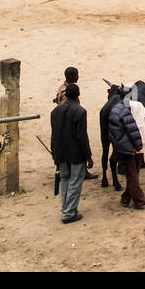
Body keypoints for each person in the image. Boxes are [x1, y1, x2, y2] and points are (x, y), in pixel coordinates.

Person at [49, 82, 93, 223]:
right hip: (75, 154)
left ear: (66, 95)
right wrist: (88, 156)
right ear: (78, 96)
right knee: (75, 182)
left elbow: (54, 135)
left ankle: (66, 208)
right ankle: (68, 213)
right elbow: (81, 137)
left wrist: (54, 153)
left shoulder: (55, 112)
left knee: (66, 180)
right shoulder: (80, 111)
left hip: (60, 153)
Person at [107, 91, 145, 209]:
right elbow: (133, 130)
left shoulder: (114, 110)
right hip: (131, 147)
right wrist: (140, 144)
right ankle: (139, 201)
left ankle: (125, 199)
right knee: (133, 175)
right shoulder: (127, 110)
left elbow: (113, 133)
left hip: (122, 147)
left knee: (131, 174)